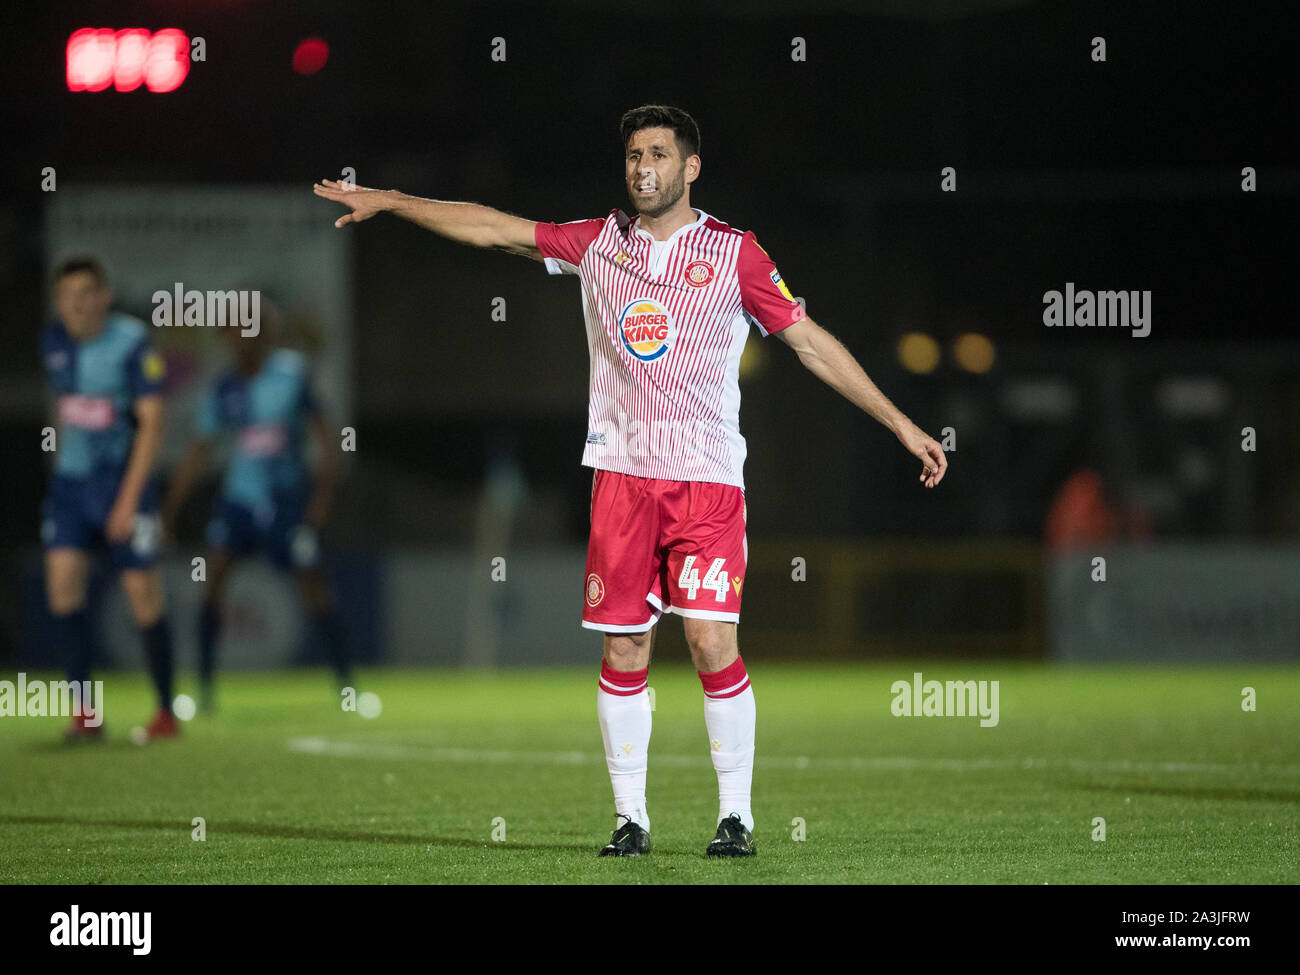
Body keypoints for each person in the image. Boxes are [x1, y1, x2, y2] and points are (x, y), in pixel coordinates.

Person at [313, 104, 948, 858]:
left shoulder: (736, 253)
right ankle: (630, 819)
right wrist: (390, 202)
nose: (643, 168)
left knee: (712, 641)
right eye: (633, 156)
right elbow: (494, 226)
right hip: (620, 480)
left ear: (691, 166)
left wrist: (900, 421)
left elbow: (808, 343)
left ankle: (736, 816)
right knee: (624, 651)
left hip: (708, 482)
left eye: (658, 154)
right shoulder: (597, 244)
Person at [162, 316, 348, 711]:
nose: (240, 339)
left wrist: (319, 501)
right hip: (239, 502)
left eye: (250, 329)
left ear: (267, 334)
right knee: (212, 584)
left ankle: (347, 686)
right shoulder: (224, 387)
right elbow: (200, 451)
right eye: (232, 332)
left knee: (313, 587)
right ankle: (205, 692)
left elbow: (325, 439)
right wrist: (170, 509)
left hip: (287, 501)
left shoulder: (293, 374)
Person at [41, 256, 178, 742]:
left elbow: (153, 423)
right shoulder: (53, 341)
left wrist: (128, 500)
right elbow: (67, 414)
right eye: (66, 296)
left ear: (105, 296)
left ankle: (165, 712)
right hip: (73, 489)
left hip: (124, 485)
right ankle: (85, 714)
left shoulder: (132, 342)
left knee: (143, 595)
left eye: (84, 294)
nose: (75, 305)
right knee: (62, 587)